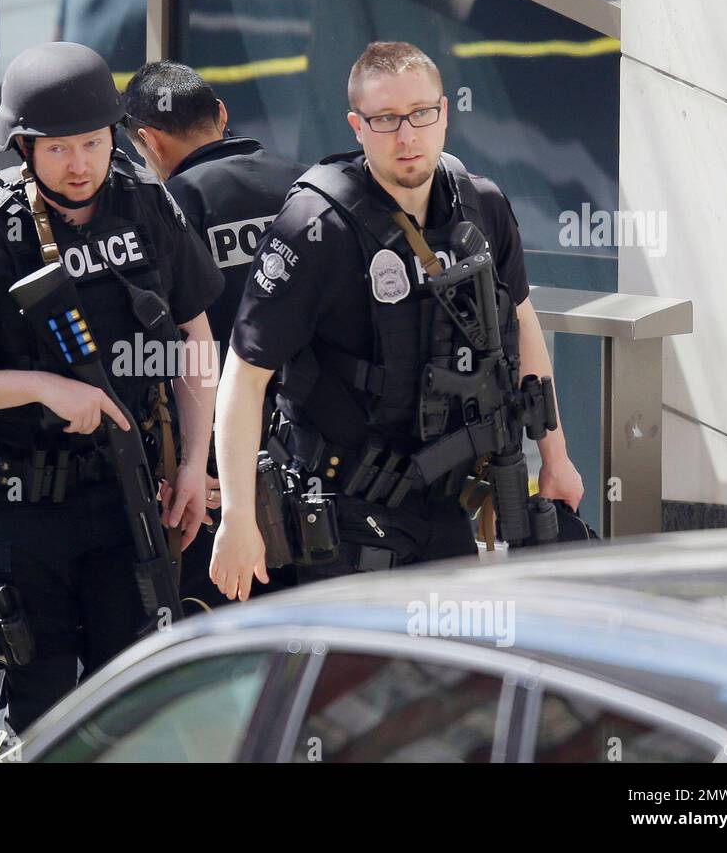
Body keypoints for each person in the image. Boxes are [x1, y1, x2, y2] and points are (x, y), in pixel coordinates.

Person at [0, 42, 223, 733]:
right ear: (23, 148)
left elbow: (195, 332)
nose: (79, 164)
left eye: (92, 143)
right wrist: (45, 387)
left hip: (124, 490)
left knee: (127, 700)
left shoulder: (145, 204)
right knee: (40, 706)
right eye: (58, 149)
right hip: (20, 508)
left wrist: (194, 462)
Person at [211, 41, 584, 601]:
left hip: (444, 506)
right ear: (357, 127)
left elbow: (524, 324)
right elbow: (244, 374)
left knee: (445, 680)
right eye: (385, 120)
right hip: (341, 515)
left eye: (420, 115)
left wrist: (555, 457)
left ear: (444, 115)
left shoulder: (482, 207)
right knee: (346, 686)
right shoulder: (316, 228)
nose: (407, 136)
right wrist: (238, 517)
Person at [122, 60, 305, 606]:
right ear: (221, 115)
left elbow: (169, 349)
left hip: (218, 474)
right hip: (314, 453)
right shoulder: (306, 184)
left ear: (146, 140)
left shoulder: (167, 207)